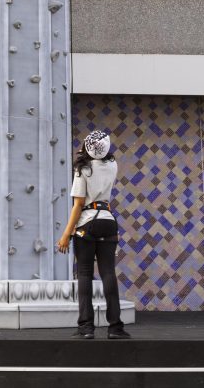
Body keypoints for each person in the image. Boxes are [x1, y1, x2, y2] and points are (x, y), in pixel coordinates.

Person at [57, 129, 130, 340]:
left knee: (85, 274)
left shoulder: (83, 169)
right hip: (108, 220)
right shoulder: (113, 165)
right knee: (108, 273)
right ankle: (115, 327)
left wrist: (66, 234)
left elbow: (78, 205)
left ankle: (86, 327)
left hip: (87, 223)